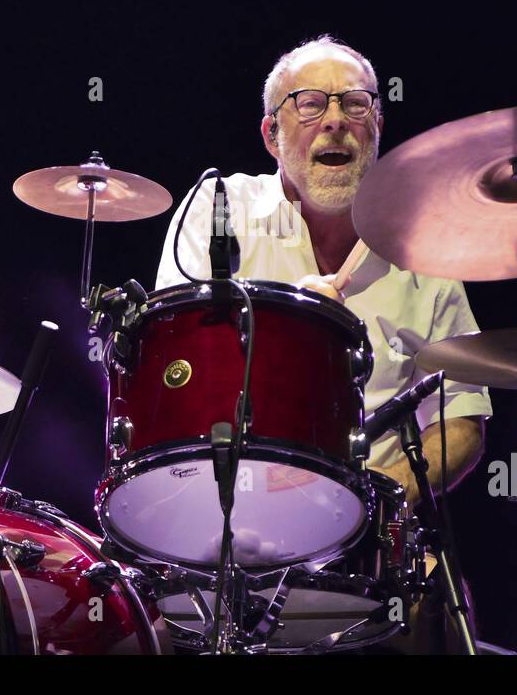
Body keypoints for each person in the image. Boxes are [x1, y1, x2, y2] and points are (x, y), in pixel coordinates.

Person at [155, 35, 491, 504]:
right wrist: (293, 329)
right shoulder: (219, 207)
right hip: (224, 509)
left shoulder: (426, 249)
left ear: (378, 125)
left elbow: (459, 420)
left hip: (367, 542)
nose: (336, 121)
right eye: (310, 105)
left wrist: (377, 503)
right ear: (271, 135)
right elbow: (177, 368)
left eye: (356, 105)